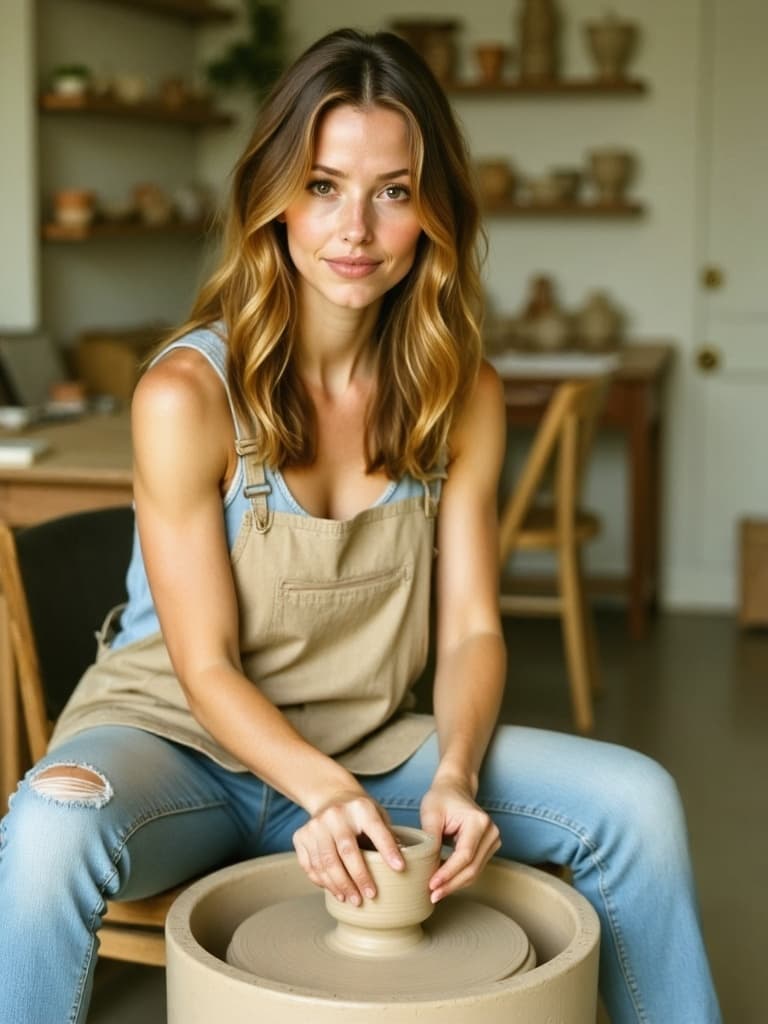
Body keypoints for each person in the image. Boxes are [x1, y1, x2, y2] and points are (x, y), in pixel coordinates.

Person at [0, 28, 720, 1024]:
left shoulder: (458, 391)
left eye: (392, 190)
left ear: (433, 208)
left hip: (375, 749)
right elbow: (205, 667)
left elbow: (471, 627)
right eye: (324, 184)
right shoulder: (184, 393)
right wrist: (321, 791)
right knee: (49, 822)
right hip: (177, 752)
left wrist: (458, 772)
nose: (356, 229)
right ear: (273, 196)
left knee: (638, 802)